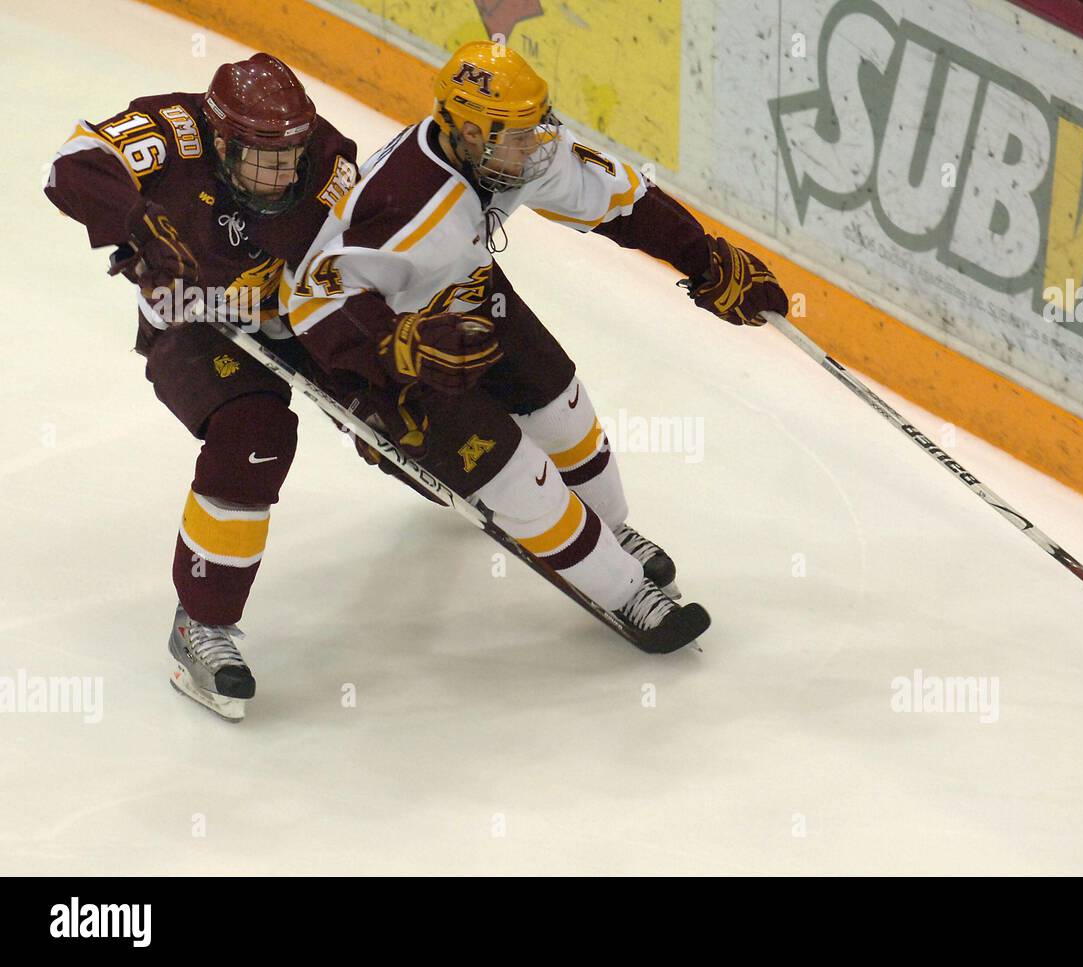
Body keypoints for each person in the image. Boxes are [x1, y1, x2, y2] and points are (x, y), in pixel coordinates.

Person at [286, 40, 788, 654]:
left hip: (469, 297)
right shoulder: (405, 206)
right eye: (520, 134)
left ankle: (609, 532)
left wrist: (703, 256)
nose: (538, 145)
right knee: (519, 477)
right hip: (394, 358)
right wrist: (398, 350)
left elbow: (622, 201)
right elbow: (314, 302)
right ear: (469, 132)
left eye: (537, 127)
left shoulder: (511, 151)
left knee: (563, 408)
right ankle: (625, 589)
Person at [46, 53, 359, 720]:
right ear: (221, 141)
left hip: (299, 310)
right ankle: (203, 623)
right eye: (261, 158)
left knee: (406, 386)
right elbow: (71, 165)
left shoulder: (326, 157)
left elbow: (359, 254)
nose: (280, 174)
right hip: (196, 322)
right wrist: (135, 221)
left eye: (289, 157)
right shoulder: (175, 130)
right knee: (257, 434)